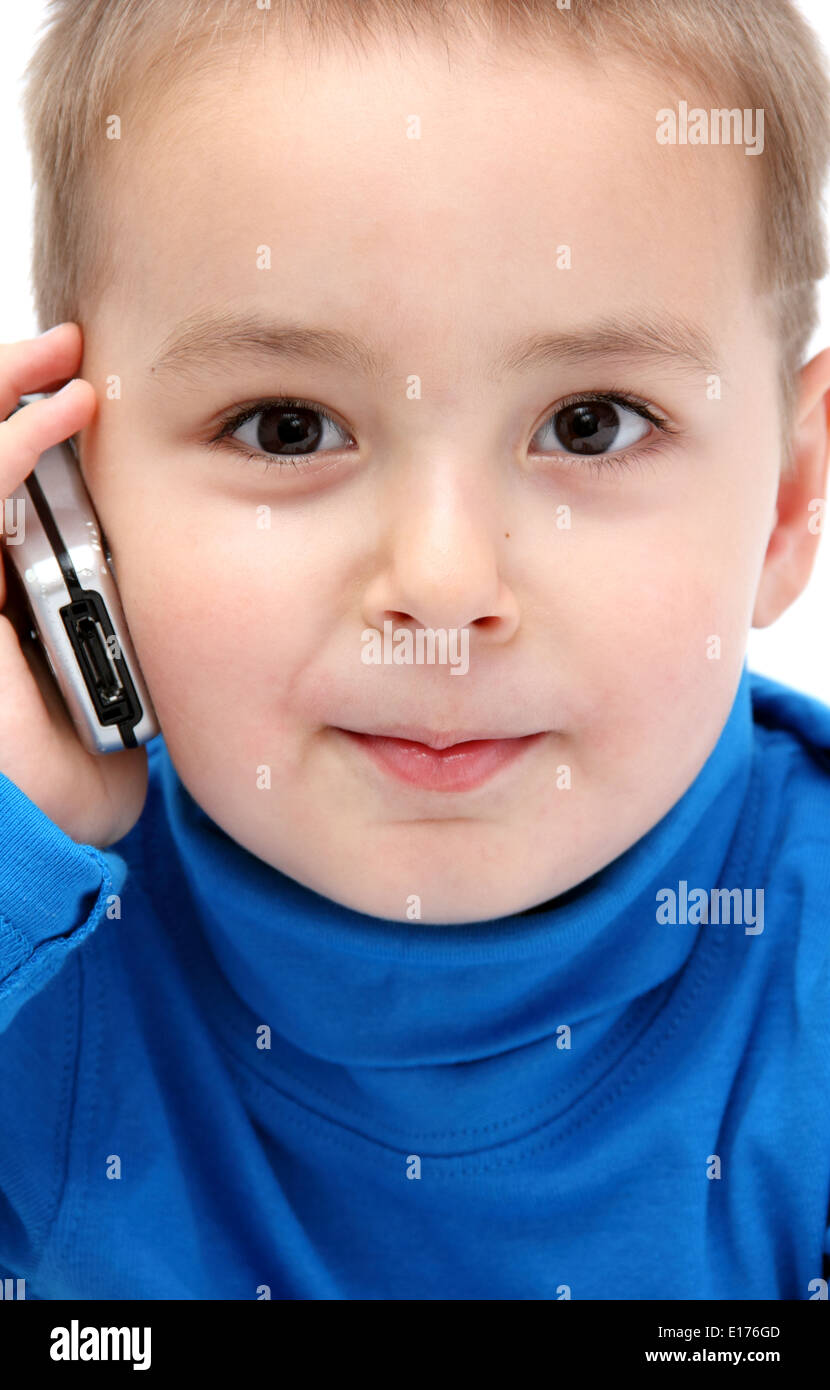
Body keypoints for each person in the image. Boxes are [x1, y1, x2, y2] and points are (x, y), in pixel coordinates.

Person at [1, 0, 829, 1299]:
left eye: (591, 424)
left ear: (786, 497)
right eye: (284, 426)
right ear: (66, 506)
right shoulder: (38, 961)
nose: (442, 585)